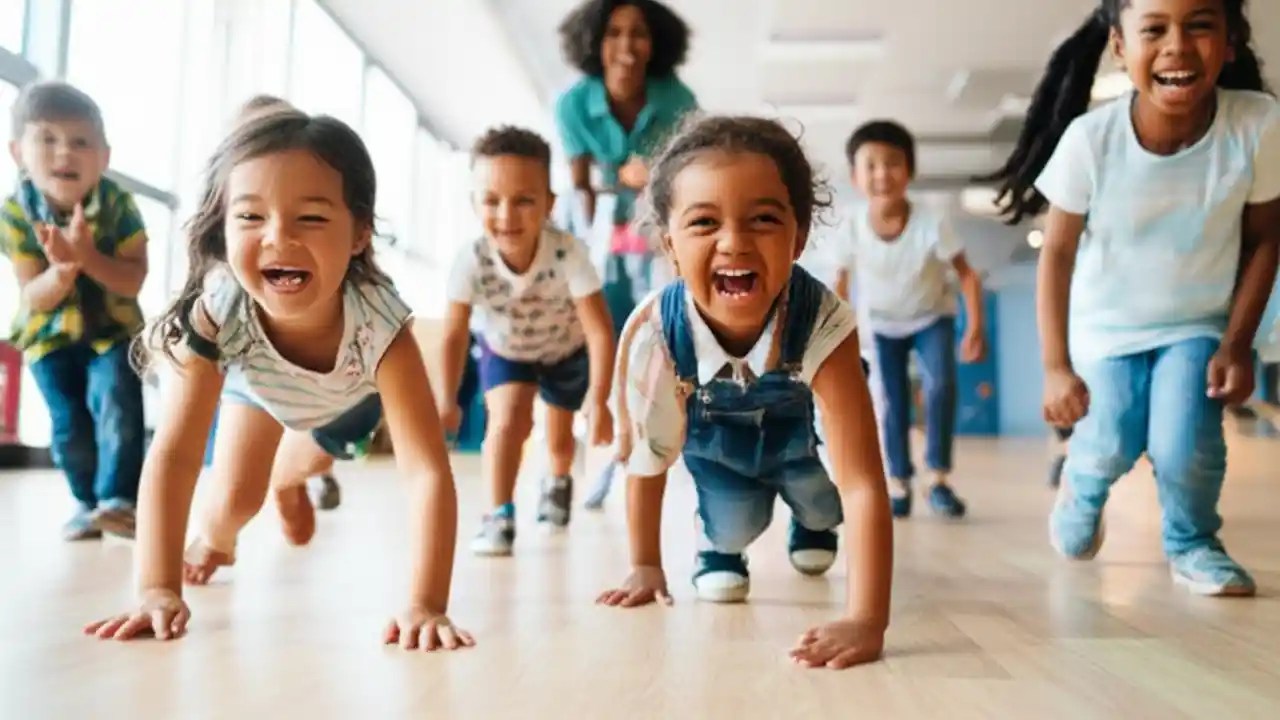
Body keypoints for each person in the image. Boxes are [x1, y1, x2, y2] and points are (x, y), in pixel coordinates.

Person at [84, 109, 473, 650]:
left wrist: (426, 605)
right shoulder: (218, 311)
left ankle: (290, 481)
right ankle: (216, 540)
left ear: (360, 233)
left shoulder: (382, 327)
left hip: (350, 401)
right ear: (222, 226)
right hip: (261, 389)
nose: (277, 237)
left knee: (301, 462)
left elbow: (426, 471)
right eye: (250, 216)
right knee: (235, 501)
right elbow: (174, 455)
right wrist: (157, 588)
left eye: (310, 218)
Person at [984, 0, 1279, 596]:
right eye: (1155, 29)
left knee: (1184, 446)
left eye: (1199, 25)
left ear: (1230, 41)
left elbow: (1265, 240)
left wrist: (1237, 343)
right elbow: (1057, 255)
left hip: (1198, 324)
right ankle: (1081, 487)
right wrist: (1055, 367)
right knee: (1110, 440)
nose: (1177, 45)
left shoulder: (1257, 125)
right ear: (1120, 47)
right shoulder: (1091, 140)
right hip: (1105, 331)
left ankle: (1193, 543)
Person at [598, 116, 892, 670]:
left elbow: (863, 483)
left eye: (763, 219)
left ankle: (810, 521)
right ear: (670, 245)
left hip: (797, 443)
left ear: (798, 236)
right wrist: (645, 565)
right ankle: (718, 545)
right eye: (704, 222)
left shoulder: (824, 321)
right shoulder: (654, 334)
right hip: (717, 455)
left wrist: (866, 620)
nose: (734, 242)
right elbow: (648, 459)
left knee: (827, 502)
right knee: (737, 524)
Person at [438, 127, 615, 556]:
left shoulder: (568, 253)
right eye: (491, 200)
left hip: (564, 350)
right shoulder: (471, 260)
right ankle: (498, 515)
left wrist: (599, 398)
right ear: (474, 203)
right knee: (507, 422)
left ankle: (558, 480)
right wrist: (446, 399)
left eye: (523, 200)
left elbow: (598, 329)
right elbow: (454, 332)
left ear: (549, 204)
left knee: (558, 440)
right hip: (507, 350)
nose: (507, 215)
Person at [555, 0, 699, 507]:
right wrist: (616, 181)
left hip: (655, 243)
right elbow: (580, 192)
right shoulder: (573, 105)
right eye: (613, 33)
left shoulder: (679, 100)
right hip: (601, 244)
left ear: (656, 43)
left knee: (654, 349)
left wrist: (651, 177)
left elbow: (686, 179)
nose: (626, 47)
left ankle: (643, 454)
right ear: (594, 42)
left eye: (638, 33)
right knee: (598, 352)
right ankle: (591, 460)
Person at [0, 81, 148, 541]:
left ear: (104, 157)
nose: (65, 151)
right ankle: (86, 504)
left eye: (80, 142)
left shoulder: (119, 204)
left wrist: (88, 258)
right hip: (49, 339)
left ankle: (119, 501)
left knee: (119, 409)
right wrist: (64, 270)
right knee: (69, 427)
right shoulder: (15, 213)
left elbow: (133, 278)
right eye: (47, 139)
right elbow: (34, 294)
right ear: (18, 152)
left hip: (114, 334)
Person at [833, 121, 987, 519]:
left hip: (931, 317)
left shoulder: (932, 221)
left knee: (940, 387)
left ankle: (938, 479)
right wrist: (838, 339)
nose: (882, 173)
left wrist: (975, 327)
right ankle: (899, 481)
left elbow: (968, 276)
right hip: (883, 325)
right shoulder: (852, 226)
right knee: (892, 401)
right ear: (854, 176)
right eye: (871, 165)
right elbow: (840, 285)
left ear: (910, 170)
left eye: (893, 163)